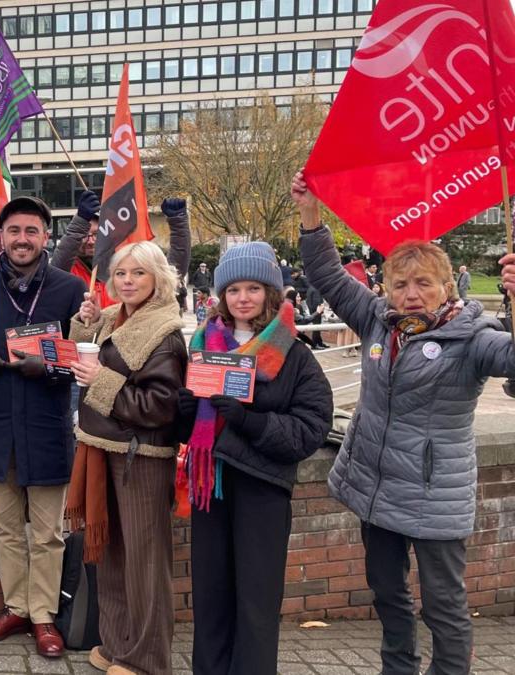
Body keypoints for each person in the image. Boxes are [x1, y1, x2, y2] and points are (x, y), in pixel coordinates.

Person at [297, 171, 515, 675]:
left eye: (423, 283)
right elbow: (328, 276)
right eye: (400, 284)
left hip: (434, 494)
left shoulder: (473, 337)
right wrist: (311, 214)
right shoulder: (378, 320)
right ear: (386, 288)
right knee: (388, 596)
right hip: (375, 488)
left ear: (446, 286)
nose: (411, 293)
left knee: (444, 605)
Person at [176, 240, 332, 675]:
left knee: (256, 601)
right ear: (221, 295)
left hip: (261, 487)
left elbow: (310, 427)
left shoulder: (295, 354)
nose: (242, 298)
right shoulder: (203, 343)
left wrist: (251, 422)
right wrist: (183, 414)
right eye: (233, 290)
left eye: (253, 288)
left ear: (270, 292)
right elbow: (187, 429)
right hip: (212, 485)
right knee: (211, 596)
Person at [0, 196, 86, 658]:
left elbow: (84, 359)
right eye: (14, 231)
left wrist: (51, 369)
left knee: (47, 532)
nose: (22, 239)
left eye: (32, 231)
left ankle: (43, 616)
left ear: (45, 237)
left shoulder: (70, 290)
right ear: (1, 237)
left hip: (47, 428)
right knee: (7, 528)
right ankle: (15, 607)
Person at [66, 241, 187, 675]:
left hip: (142, 458)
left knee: (145, 565)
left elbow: (160, 406)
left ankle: (149, 661)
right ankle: (119, 648)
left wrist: (103, 380)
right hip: (106, 448)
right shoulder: (119, 318)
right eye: (121, 274)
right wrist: (87, 325)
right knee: (114, 558)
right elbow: (95, 359)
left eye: (138, 273)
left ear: (157, 278)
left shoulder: (164, 334)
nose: (128, 281)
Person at [51, 194, 192, 311]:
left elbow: (171, 274)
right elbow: (57, 268)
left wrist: (178, 223)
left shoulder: (125, 263)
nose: (90, 241)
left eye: (96, 234)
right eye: (84, 235)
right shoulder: (68, 270)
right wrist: (79, 222)